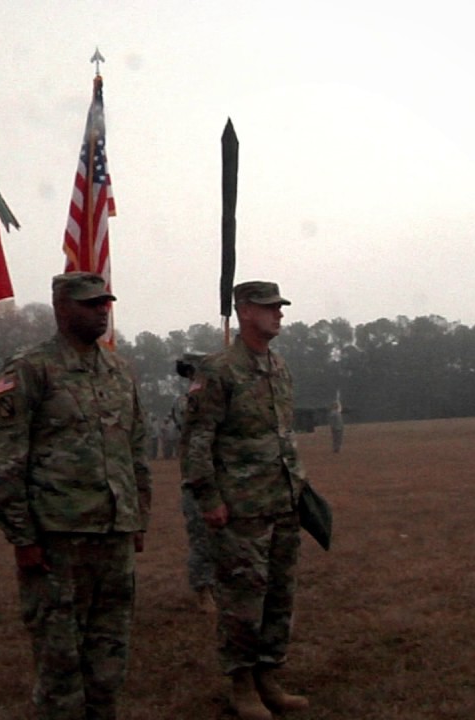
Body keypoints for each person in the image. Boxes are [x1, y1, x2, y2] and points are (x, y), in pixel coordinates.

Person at [0, 271, 152, 720]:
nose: (102, 309)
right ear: (61, 308)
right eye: (89, 303)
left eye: (105, 302)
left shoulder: (118, 370)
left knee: (109, 660)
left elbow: (135, 446)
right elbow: (4, 458)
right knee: (60, 664)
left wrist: (137, 518)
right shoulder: (29, 369)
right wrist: (22, 536)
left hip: (114, 535)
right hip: (57, 540)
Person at [181, 280, 314, 720]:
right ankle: (241, 685)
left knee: (279, 596)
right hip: (240, 509)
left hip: (282, 502)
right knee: (242, 599)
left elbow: (282, 436)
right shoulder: (219, 370)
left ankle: (268, 676)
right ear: (244, 311)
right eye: (269, 307)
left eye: (279, 307)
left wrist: (299, 488)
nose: (279, 314)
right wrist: (210, 497)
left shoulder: (279, 367)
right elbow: (197, 440)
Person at [174, 358, 215, 614]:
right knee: (202, 539)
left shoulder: (217, 398)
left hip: (220, 480)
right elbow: (192, 422)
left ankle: (219, 586)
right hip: (197, 482)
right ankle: (202, 590)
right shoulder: (185, 402)